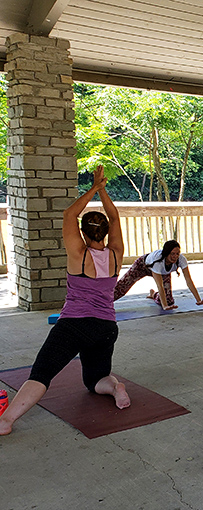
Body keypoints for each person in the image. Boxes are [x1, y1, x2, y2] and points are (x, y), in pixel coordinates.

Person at [0, 166, 129, 435]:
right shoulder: (116, 253)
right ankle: (115, 387)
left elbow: (69, 213)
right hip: (106, 328)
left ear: (83, 232)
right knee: (95, 379)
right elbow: (115, 219)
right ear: (105, 233)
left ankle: (6, 420)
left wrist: (93, 187)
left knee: (41, 373)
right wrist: (103, 190)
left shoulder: (79, 254)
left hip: (74, 325)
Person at [113, 240, 203, 310]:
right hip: (142, 266)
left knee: (169, 301)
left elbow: (189, 280)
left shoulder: (181, 259)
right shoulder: (158, 261)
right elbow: (160, 286)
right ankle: (100, 302)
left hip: (163, 272)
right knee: (121, 288)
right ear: (166, 253)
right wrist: (164, 306)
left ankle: (153, 294)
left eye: (177, 254)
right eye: (172, 254)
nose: (175, 257)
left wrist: (199, 300)